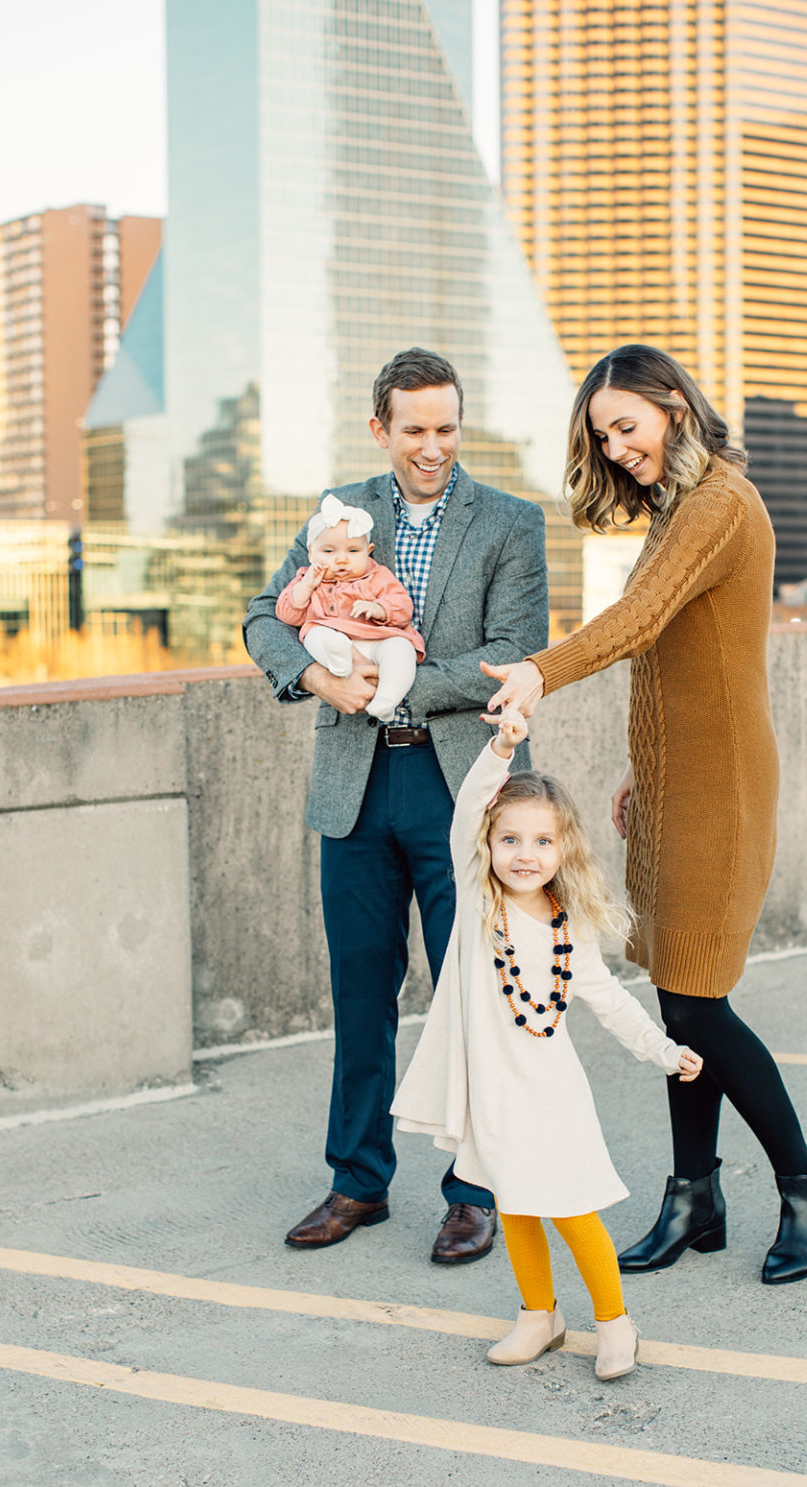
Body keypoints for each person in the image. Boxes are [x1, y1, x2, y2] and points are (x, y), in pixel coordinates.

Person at [482, 343, 807, 1286]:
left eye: (626, 426)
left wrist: (539, 671)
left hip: (721, 791)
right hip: (678, 785)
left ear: (675, 406)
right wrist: (646, 769)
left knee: (699, 1007)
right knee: (680, 1001)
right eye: (602, 437)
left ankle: (806, 1186)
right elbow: (687, 657)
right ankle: (695, 1197)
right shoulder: (684, 504)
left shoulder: (719, 501)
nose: (616, 448)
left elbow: (638, 621)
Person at [244, 347, 549, 1264]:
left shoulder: (512, 522)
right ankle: (358, 1181)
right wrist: (315, 677)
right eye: (414, 429)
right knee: (361, 992)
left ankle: (475, 1190)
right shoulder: (338, 512)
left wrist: (386, 687)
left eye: (446, 428)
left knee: (477, 994)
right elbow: (263, 616)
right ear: (381, 429)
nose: (432, 447)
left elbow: (510, 653)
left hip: (462, 790)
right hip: (355, 787)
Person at [391, 709, 703, 1379]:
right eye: (509, 839)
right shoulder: (480, 903)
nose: (524, 854)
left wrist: (662, 1049)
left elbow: (610, 1000)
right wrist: (502, 747)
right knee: (515, 1203)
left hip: (552, 1092)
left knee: (570, 1206)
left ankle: (615, 1322)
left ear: (565, 850)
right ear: (488, 844)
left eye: (541, 841)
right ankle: (540, 1316)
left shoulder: (569, 927)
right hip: (493, 1090)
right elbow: (468, 808)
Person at [275, 496, 424, 723]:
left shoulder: (377, 575)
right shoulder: (307, 580)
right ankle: (339, 662)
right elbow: (287, 615)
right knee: (314, 633)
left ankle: (387, 699)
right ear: (311, 553)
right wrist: (306, 586)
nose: (342, 560)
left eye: (353, 551)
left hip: (379, 638)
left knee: (401, 648)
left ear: (368, 551)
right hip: (334, 639)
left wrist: (380, 608)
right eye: (329, 552)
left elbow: (403, 605)